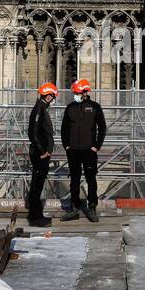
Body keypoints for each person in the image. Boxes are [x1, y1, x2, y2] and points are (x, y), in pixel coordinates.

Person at [61, 78, 106, 222]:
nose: (76, 95)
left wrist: (96, 146)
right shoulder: (70, 107)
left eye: (78, 93)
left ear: (86, 92)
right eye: (75, 93)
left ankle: (92, 207)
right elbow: (64, 129)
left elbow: (102, 127)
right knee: (74, 179)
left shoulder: (95, 107)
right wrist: (66, 146)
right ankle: (74, 208)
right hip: (73, 150)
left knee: (90, 179)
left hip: (89, 150)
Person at [27, 82, 58, 227]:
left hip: (42, 153)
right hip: (40, 154)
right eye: (52, 95)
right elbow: (32, 133)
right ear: (48, 95)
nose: (53, 98)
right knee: (37, 185)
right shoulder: (39, 109)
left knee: (38, 184)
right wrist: (42, 152)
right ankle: (34, 217)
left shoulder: (41, 108)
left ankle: (37, 214)